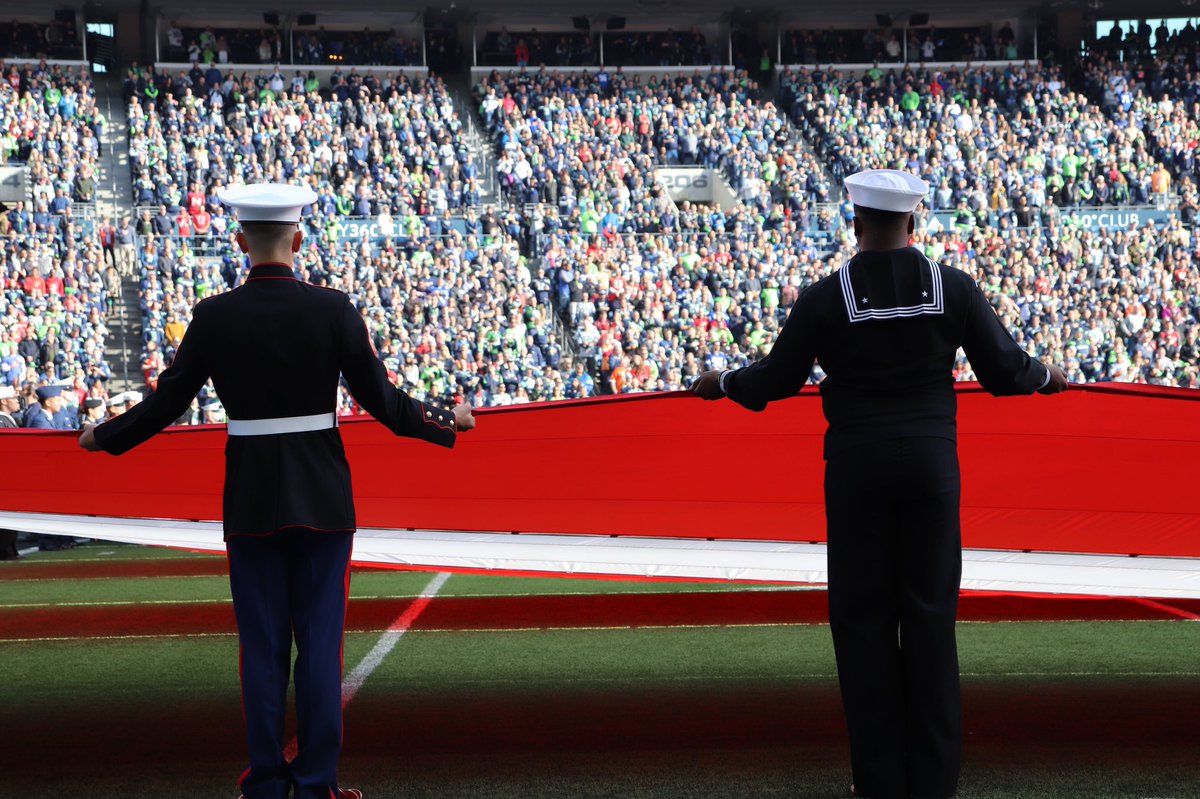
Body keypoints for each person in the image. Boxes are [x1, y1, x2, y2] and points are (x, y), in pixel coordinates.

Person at [79, 183, 477, 799]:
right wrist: (448, 421)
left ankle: (266, 783)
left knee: (261, 651)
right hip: (322, 499)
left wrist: (102, 437)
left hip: (252, 502)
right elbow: (389, 406)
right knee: (320, 650)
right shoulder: (334, 309)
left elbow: (165, 406)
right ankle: (316, 784)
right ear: (297, 238)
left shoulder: (213, 315)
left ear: (240, 242)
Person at [692, 169, 1068, 799]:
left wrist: (722, 382)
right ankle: (934, 783)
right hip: (930, 469)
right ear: (914, 224)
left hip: (857, 468)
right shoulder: (953, 288)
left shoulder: (824, 297)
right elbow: (1004, 371)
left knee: (864, 623)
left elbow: (779, 377)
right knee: (929, 621)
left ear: (856, 224)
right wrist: (1048, 374)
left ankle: (879, 783)